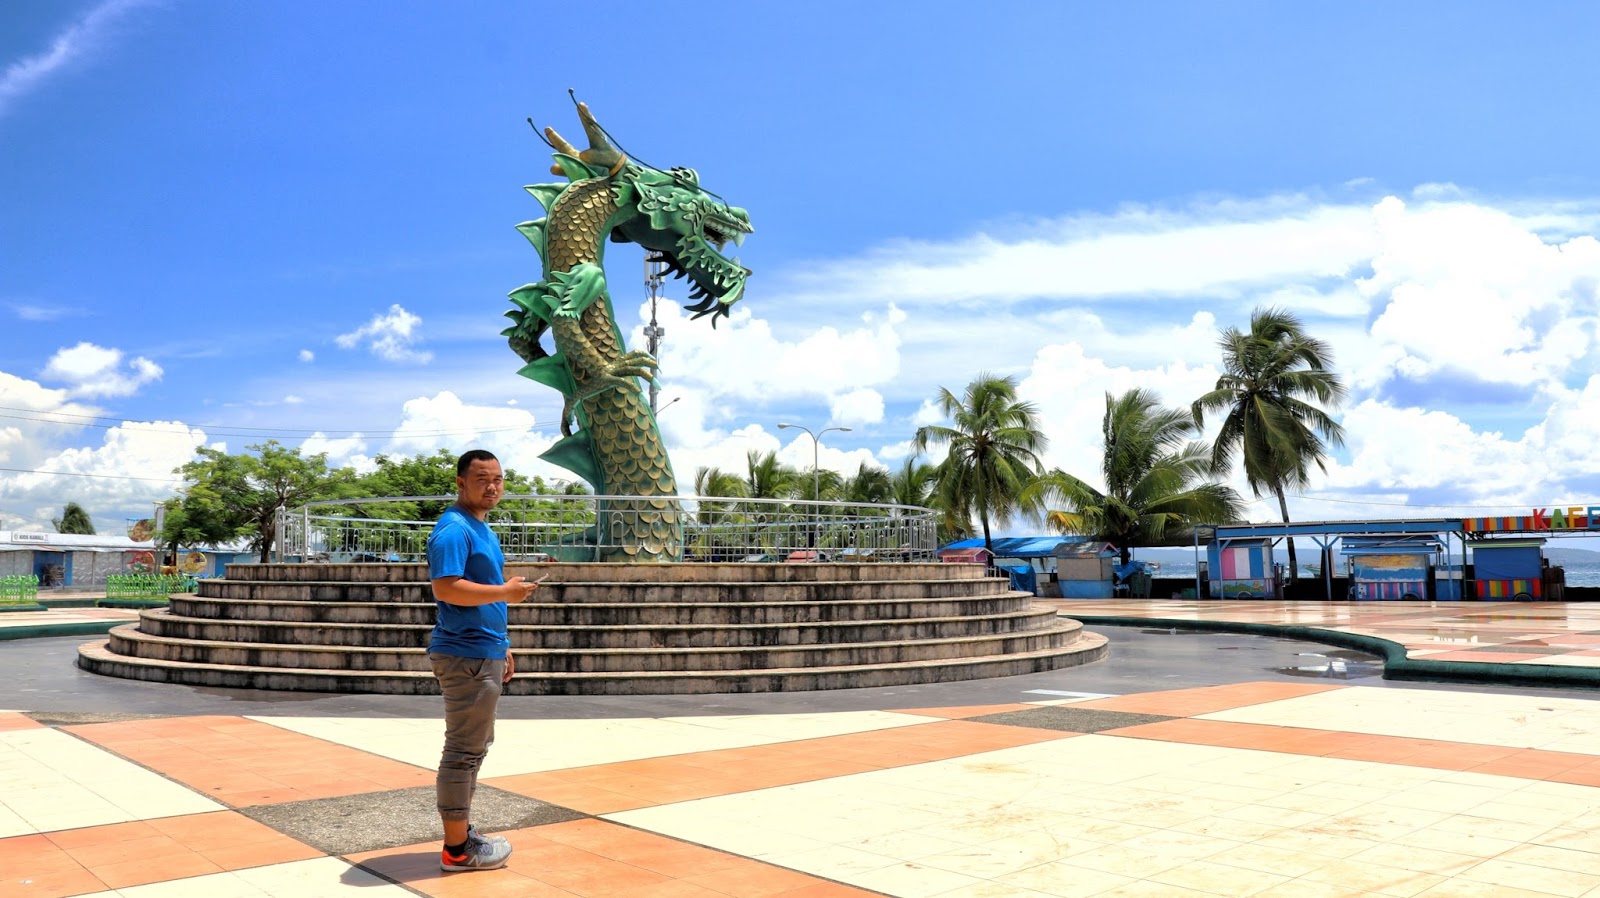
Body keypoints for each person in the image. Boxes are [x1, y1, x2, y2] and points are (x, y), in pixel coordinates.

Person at [426, 449, 540, 872]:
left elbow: (482, 587)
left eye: (498, 479)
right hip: (465, 654)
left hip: (483, 649)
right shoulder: (454, 530)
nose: (492, 486)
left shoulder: (482, 528)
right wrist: (506, 593)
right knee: (463, 751)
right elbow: (447, 588)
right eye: (481, 479)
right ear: (460, 483)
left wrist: (503, 642)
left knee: (473, 748)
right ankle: (457, 851)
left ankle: (462, 834)